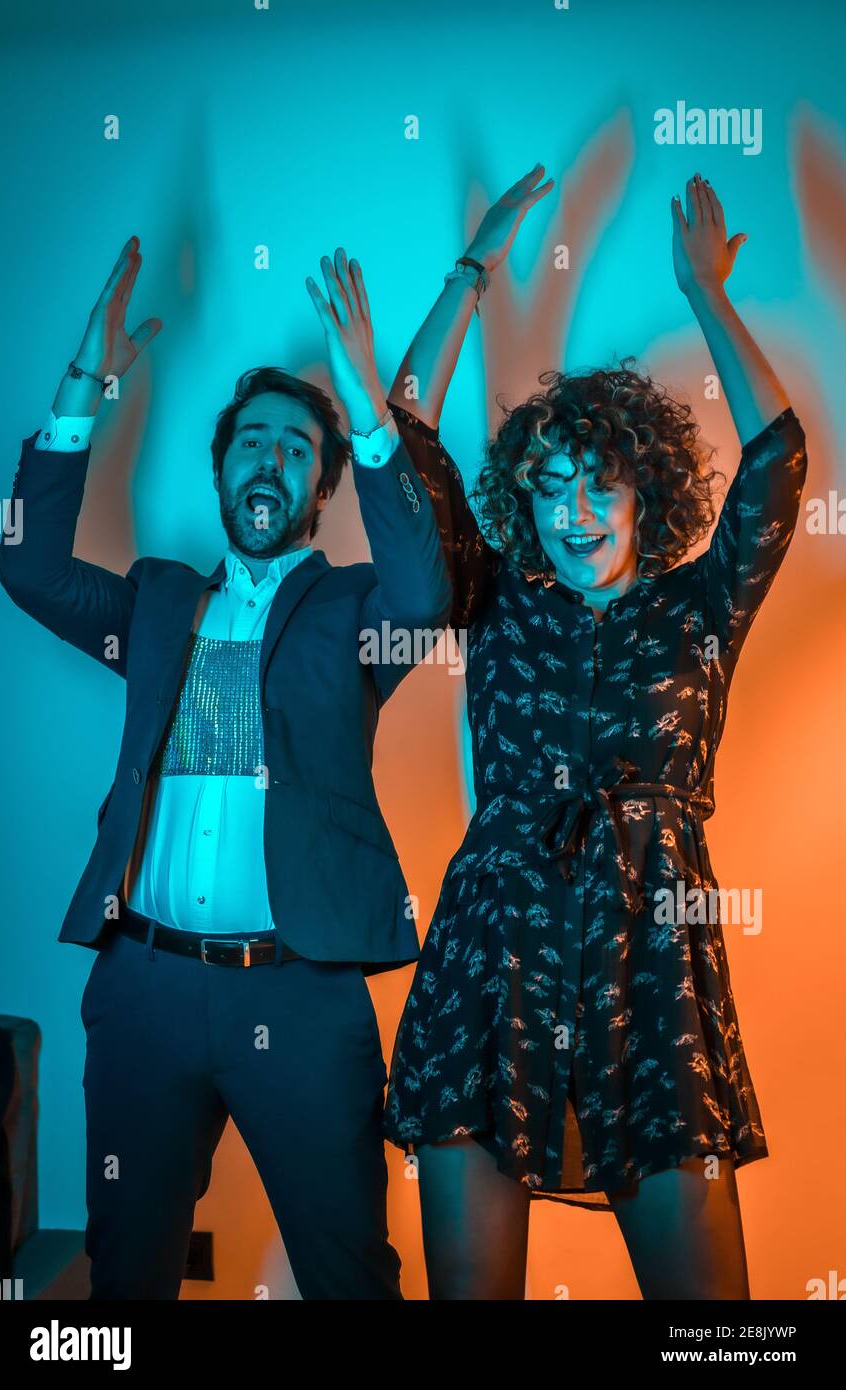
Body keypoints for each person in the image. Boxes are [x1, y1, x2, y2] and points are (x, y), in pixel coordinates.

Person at [383, 167, 808, 1299]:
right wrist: (473, 269)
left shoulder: (697, 606)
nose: (573, 512)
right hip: (493, 963)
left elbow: (776, 467)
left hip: (649, 967)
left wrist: (705, 295)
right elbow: (406, 431)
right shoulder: (496, 599)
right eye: (549, 488)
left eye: (598, 485)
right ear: (524, 506)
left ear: (640, 494)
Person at [0, 239, 451, 1299]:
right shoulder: (157, 601)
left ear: (324, 484)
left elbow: (427, 592)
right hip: (144, 988)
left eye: (296, 449)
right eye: (250, 442)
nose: (269, 461)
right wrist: (83, 388)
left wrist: (368, 409)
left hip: (301, 991)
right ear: (221, 469)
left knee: (349, 1271)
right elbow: (27, 568)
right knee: (128, 1274)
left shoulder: (355, 613)